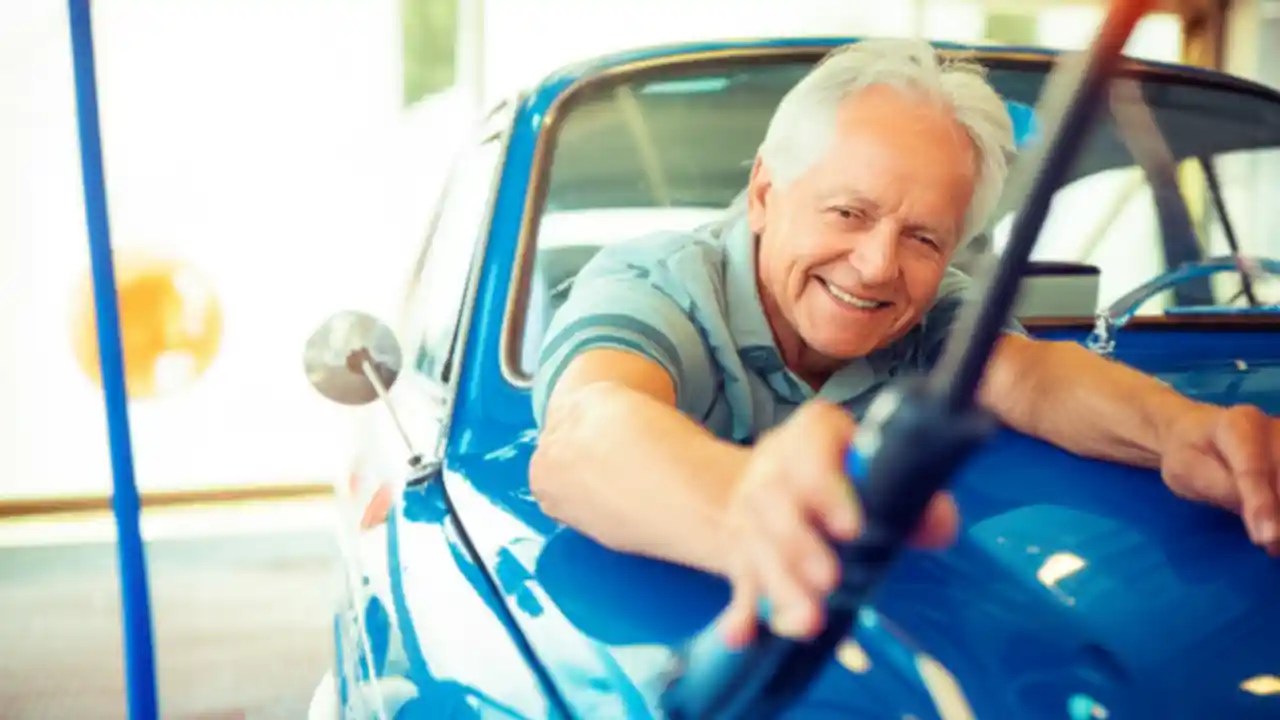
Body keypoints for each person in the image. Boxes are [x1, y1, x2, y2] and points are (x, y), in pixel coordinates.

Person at [527, 39, 1280, 648]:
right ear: (763, 194)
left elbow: (1032, 377)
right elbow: (584, 432)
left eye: (924, 237)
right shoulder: (657, 285)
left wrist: (1186, 430)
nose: (880, 265)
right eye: (849, 212)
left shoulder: (935, 310)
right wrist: (741, 507)